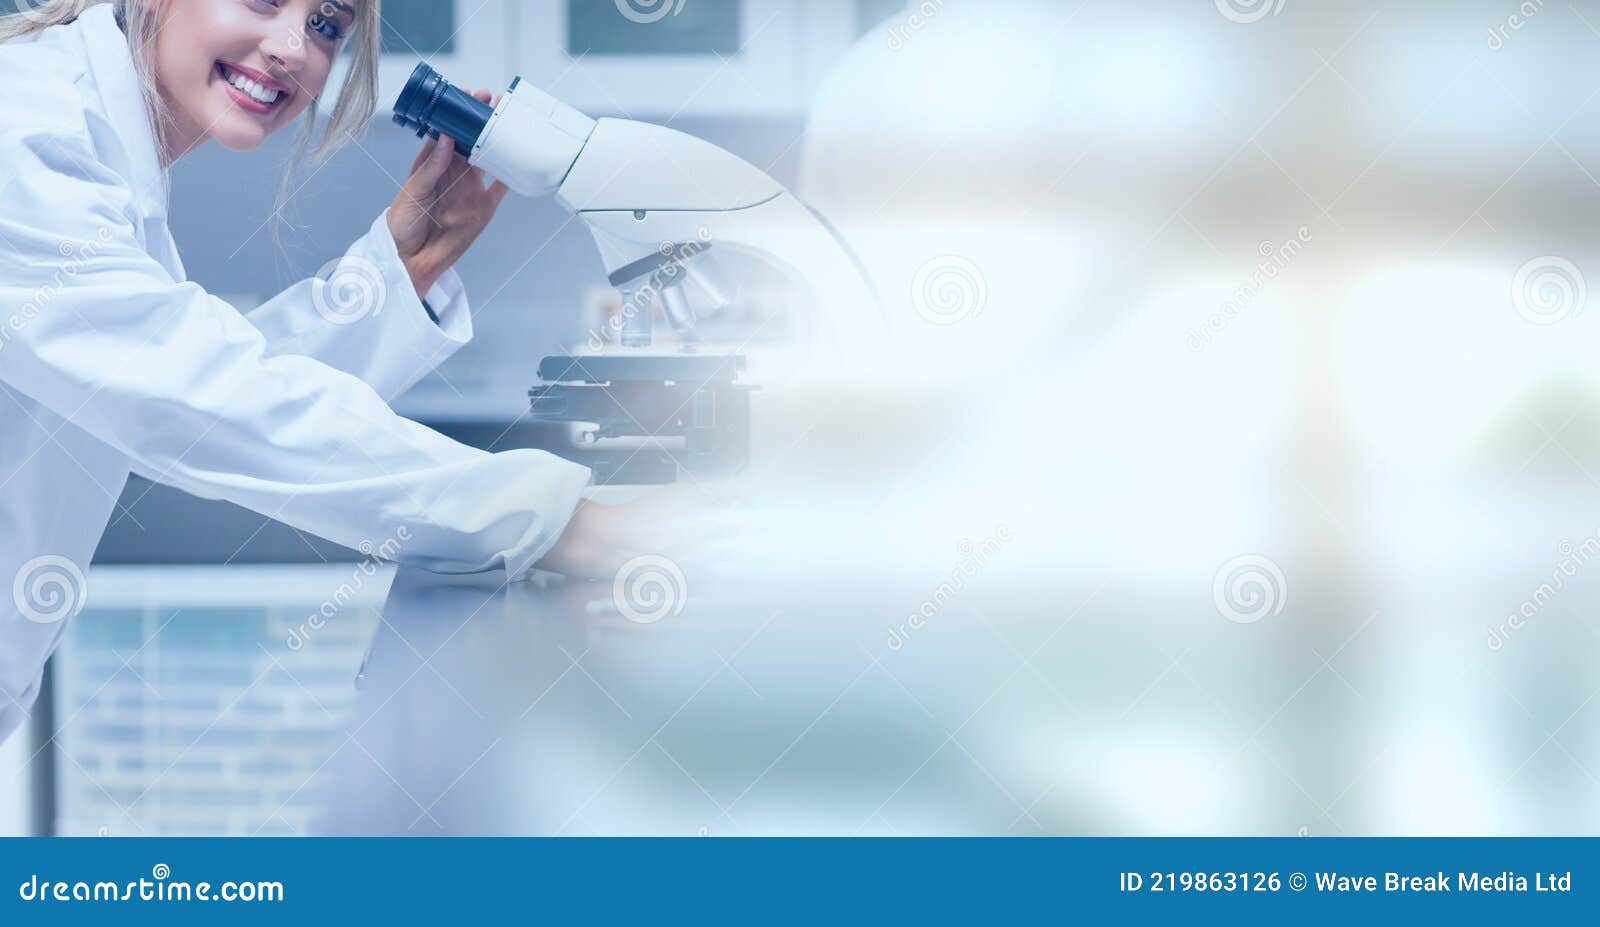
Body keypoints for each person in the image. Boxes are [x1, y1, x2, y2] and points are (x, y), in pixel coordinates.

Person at [0, 0, 670, 744]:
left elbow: (194, 383)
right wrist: (554, 520)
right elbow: (195, 400)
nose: (292, 47)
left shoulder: (93, 145)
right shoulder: (27, 129)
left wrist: (399, 267)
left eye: (326, 24)